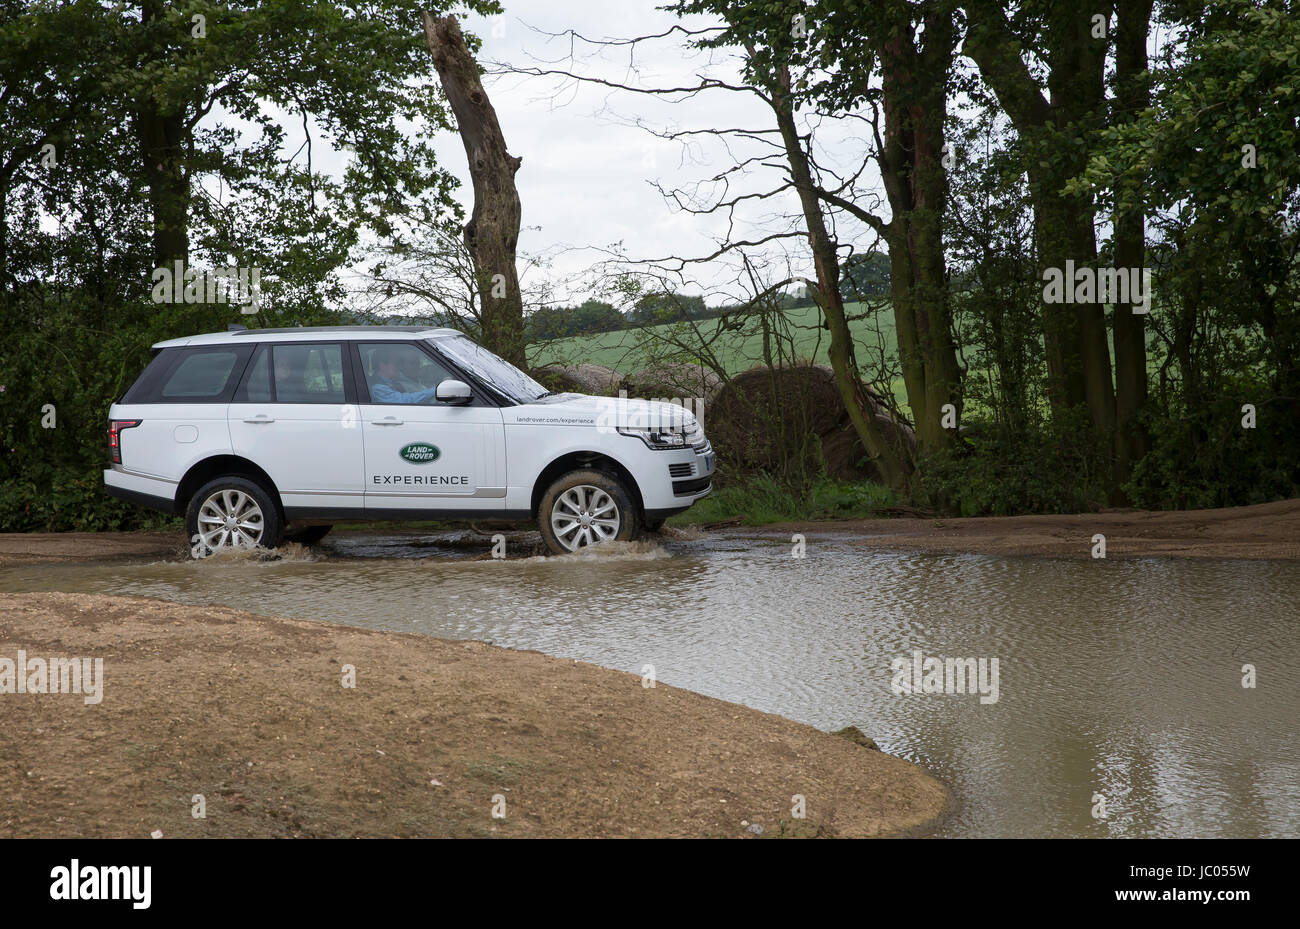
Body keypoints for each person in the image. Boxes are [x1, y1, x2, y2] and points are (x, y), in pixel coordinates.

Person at [369, 347, 440, 404]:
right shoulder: (377, 387)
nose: (399, 367)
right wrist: (435, 390)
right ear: (382, 365)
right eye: (396, 364)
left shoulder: (390, 382)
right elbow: (404, 401)